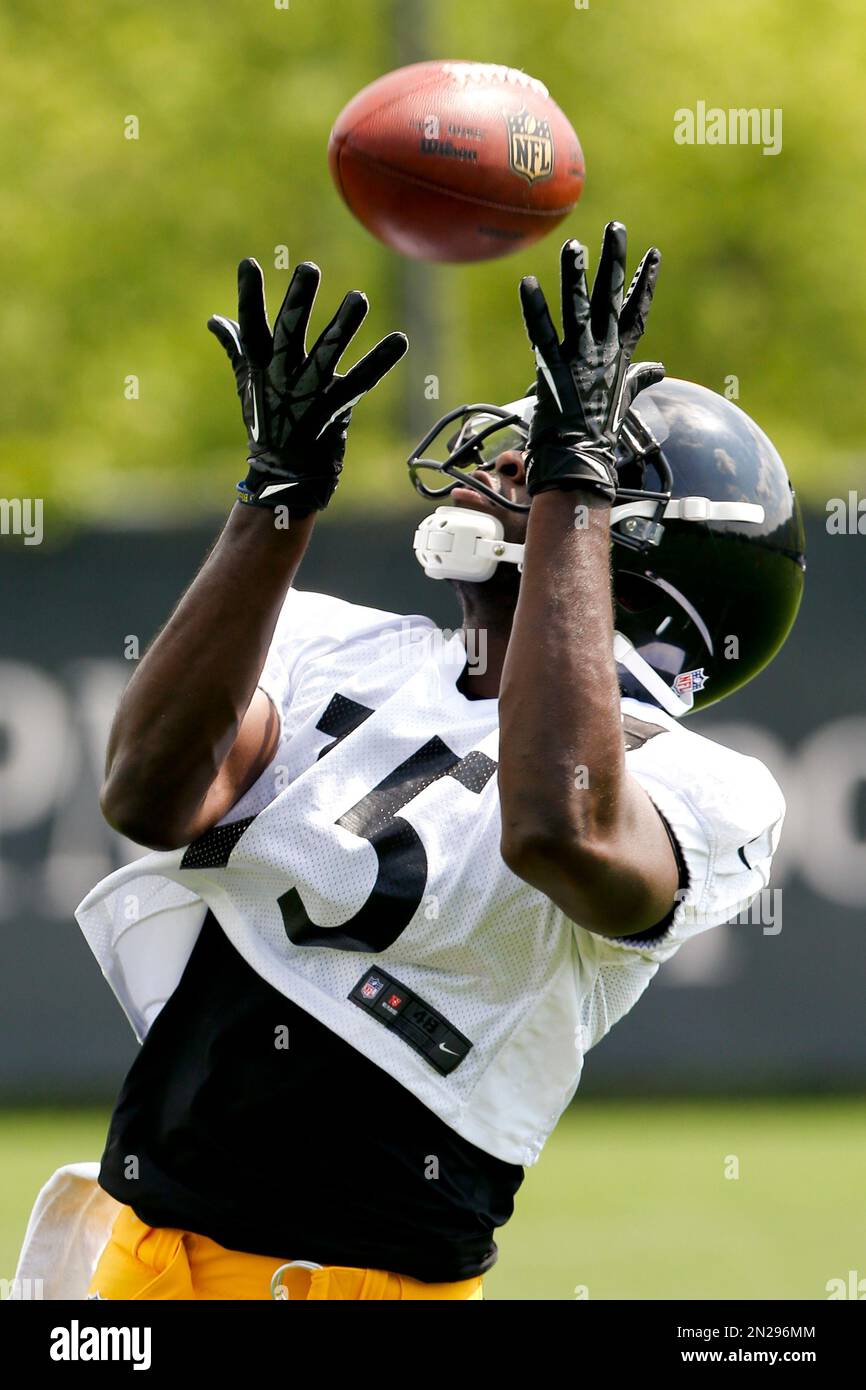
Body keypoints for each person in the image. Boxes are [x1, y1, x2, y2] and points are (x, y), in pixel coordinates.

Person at [65, 222, 802, 1300]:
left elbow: (560, 826)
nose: (511, 459)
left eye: (554, 448)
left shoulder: (711, 787)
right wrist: (274, 496)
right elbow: (149, 792)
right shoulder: (338, 641)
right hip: (143, 1258)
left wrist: (568, 491)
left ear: (629, 531)